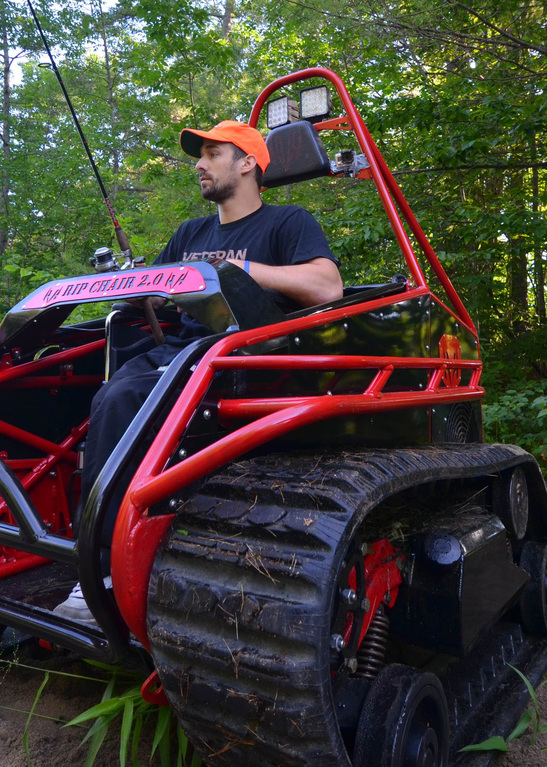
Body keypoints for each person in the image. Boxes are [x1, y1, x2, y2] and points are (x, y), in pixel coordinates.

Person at [54, 120, 342, 621]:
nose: (199, 165)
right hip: (180, 351)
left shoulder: (287, 222)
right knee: (82, 388)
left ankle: (98, 571)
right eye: (199, 155)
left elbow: (327, 287)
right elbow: (151, 293)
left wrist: (240, 271)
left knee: (121, 398)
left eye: (211, 153)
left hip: (247, 359)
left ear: (248, 162)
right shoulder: (190, 233)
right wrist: (132, 284)